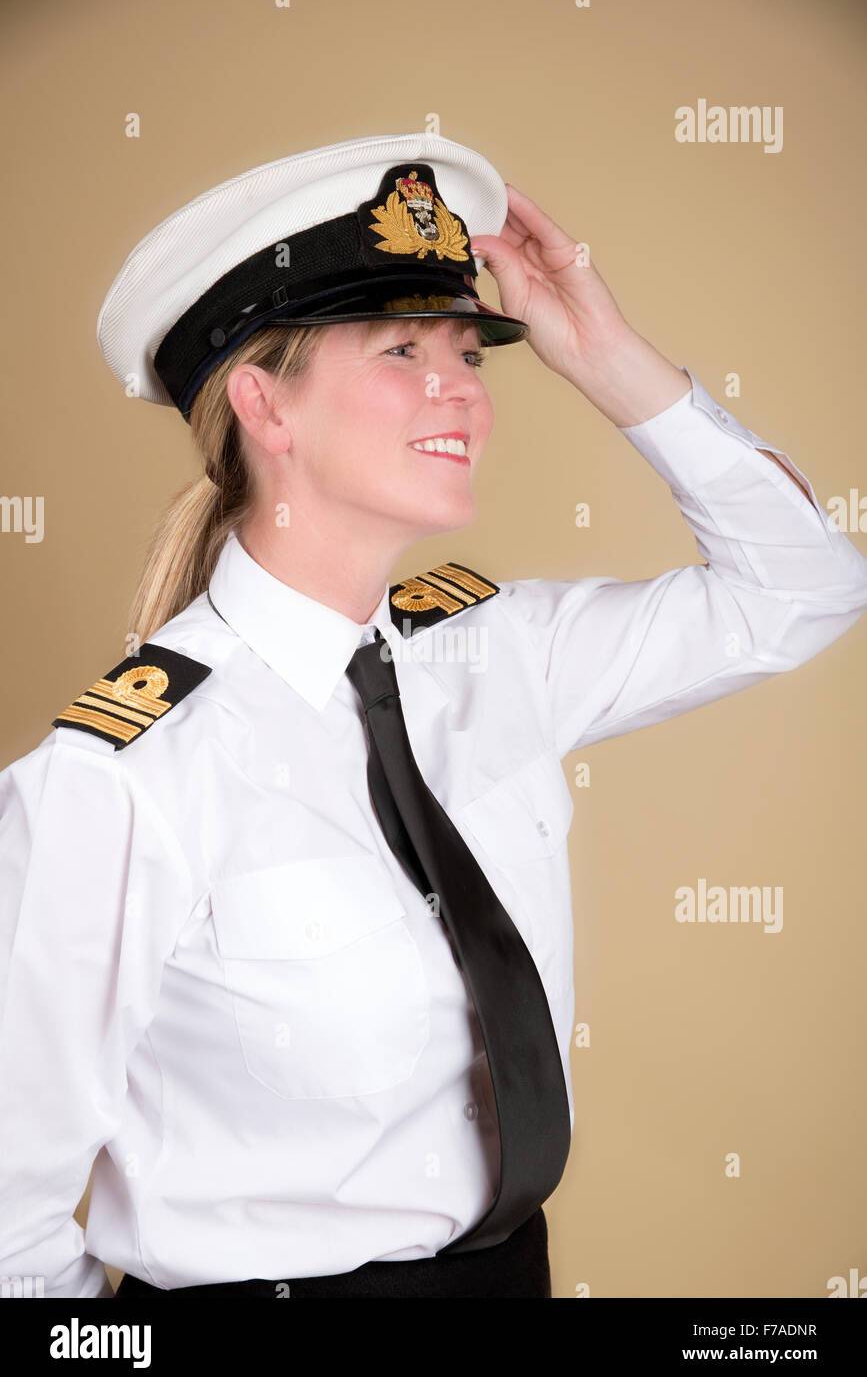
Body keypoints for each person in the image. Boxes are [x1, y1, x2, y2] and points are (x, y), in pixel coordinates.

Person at [1, 132, 865, 1301]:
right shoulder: (120, 777)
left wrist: (607, 358)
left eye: (469, 349)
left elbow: (802, 590)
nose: (459, 385)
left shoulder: (495, 649)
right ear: (264, 403)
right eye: (403, 348)